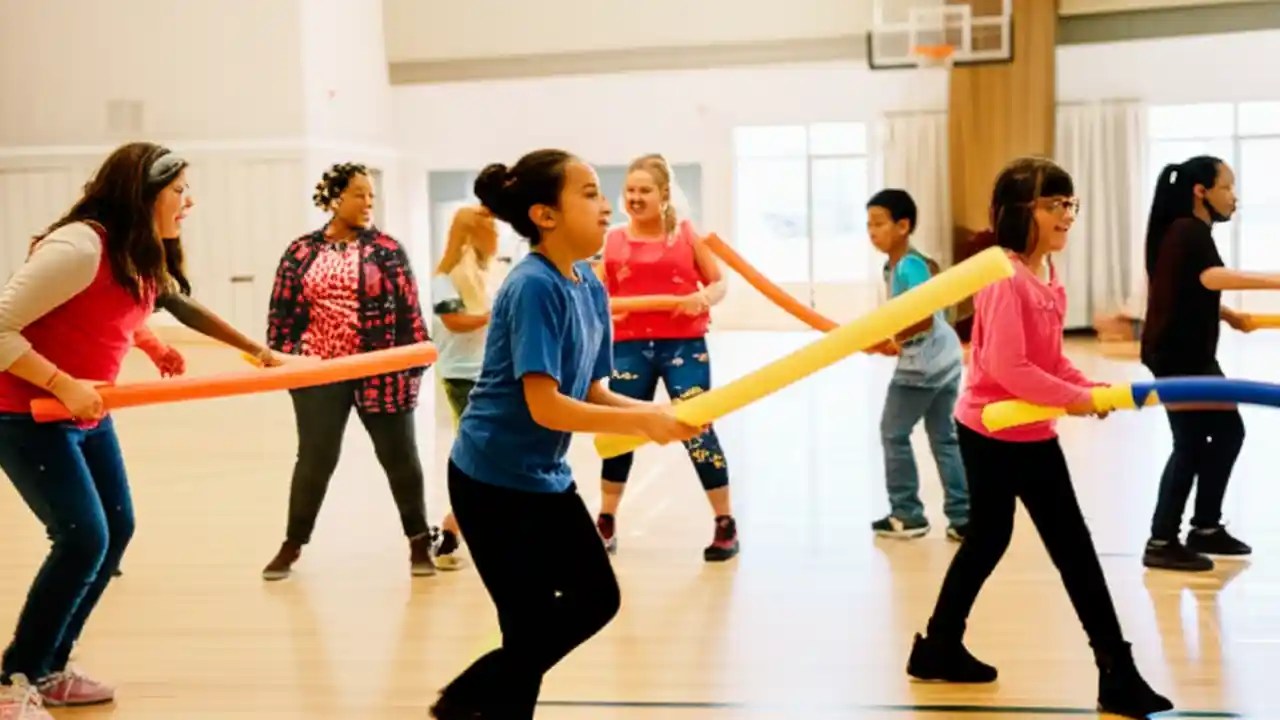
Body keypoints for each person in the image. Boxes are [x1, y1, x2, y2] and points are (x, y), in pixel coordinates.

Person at [0, 142, 286, 717]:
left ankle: (50, 665)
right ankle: (15, 678)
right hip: (26, 413)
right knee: (83, 538)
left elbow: (173, 306)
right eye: (179, 190)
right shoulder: (80, 246)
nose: (190, 201)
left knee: (115, 530)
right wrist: (60, 381)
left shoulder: (139, 251)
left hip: (83, 410)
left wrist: (255, 351)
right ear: (143, 193)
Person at [428, 149, 700, 720]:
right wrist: (644, 421)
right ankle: (468, 706)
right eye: (589, 193)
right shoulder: (532, 287)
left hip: (543, 478)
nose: (607, 208)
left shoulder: (588, 286)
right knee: (526, 626)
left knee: (596, 600)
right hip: (489, 482)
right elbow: (547, 406)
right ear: (544, 215)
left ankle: (466, 705)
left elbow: (593, 392)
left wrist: (660, 416)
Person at [905, 157, 1173, 719]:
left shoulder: (1046, 277)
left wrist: (1089, 388)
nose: (1066, 216)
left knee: (991, 539)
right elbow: (1006, 365)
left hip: (1023, 427)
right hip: (992, 430)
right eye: (1054, 205)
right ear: (1018, 212)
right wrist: (1073, 398)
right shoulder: (1003, 277)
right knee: (1066, 548)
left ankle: (938, 646)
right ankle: (1116, 674)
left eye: (1070, 204)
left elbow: (1048, 360)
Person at [261, 162, 435, 580]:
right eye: (359, 194)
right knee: (315, 459)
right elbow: (282, 316)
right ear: (335, 198)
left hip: (380, 370)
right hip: (319, 370)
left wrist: (411, 367)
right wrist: (287, 364)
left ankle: (418, 542)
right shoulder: (302, 251)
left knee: (400, 458)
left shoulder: (387, 250)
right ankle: (293, 543)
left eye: (371, 195)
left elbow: (410, 313)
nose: (368, 202)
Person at [594, 153, 738, 561]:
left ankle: (724, 522)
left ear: (663, 195)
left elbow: (719, 282)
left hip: (683, 346)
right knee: (620, 428)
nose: (636, 198)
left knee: (696, 425)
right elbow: (596, 288)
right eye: (630, 190)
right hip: (627, 347)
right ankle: (606, 519)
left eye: (645, 190)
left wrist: (701, 298)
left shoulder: (687, 235)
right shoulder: (614, 241)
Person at [1139, 155, 1267, 572]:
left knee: (1227, 433)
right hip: (1177, 356)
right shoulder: (1188, 230)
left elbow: (1188, 286)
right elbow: (1211, 277)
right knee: (1192, 443)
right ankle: (1162, 539)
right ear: (1201, 191)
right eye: (1227, 187)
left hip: (1189, 353)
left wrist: (1228, 315)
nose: (1234, 197)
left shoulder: (1185, 231)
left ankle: (1206, 528)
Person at [864, 189, 969, 541]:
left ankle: (907, 514)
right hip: (945, 360)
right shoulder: (893, 265)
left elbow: (922, 317)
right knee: (944, 438)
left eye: (879, 223)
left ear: (903, 225)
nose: (872, 231)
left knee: (893, 434)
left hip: (922, 368)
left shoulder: (910, 264)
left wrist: (891, 339)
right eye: (869, 225)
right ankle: (963, 517)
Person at [429, 205, 503, 570]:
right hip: (461, 377)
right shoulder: (444, 279)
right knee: (478, 457)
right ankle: (450, 532)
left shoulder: (484, 277)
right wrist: (498, 315)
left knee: (491, 456)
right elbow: (455, 322)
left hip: (488, 375)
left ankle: (455, 530)